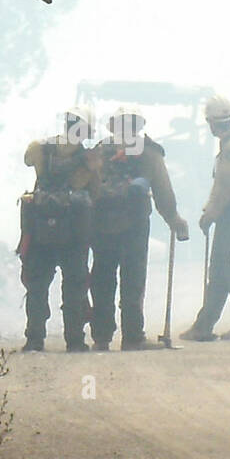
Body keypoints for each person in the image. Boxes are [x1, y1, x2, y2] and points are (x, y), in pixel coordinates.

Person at [89, 106, 189, 351]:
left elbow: (86, 186)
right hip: (134, 224)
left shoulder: (100, 150)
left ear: (113, 126)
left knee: (102, 277)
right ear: (139, 126)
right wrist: (174, 220)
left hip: (101, 224)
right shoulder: (149, 152)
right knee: (133, 278)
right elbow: (163, 191)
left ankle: (101, 337)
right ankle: (133, 336)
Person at [18, 108, 100, 351]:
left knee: (37, 285)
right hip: (74, 235)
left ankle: (34, 339)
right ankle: (74, 340)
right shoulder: (90, 160)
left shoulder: (39, 149)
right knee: (74, 285)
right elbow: (95, 194)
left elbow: (26, 160)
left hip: (40, 231)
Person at [181, 95, 230, 342]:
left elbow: (225, 186)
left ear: (213, 123)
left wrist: (209, 215)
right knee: (220, 274)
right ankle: (204, 326)